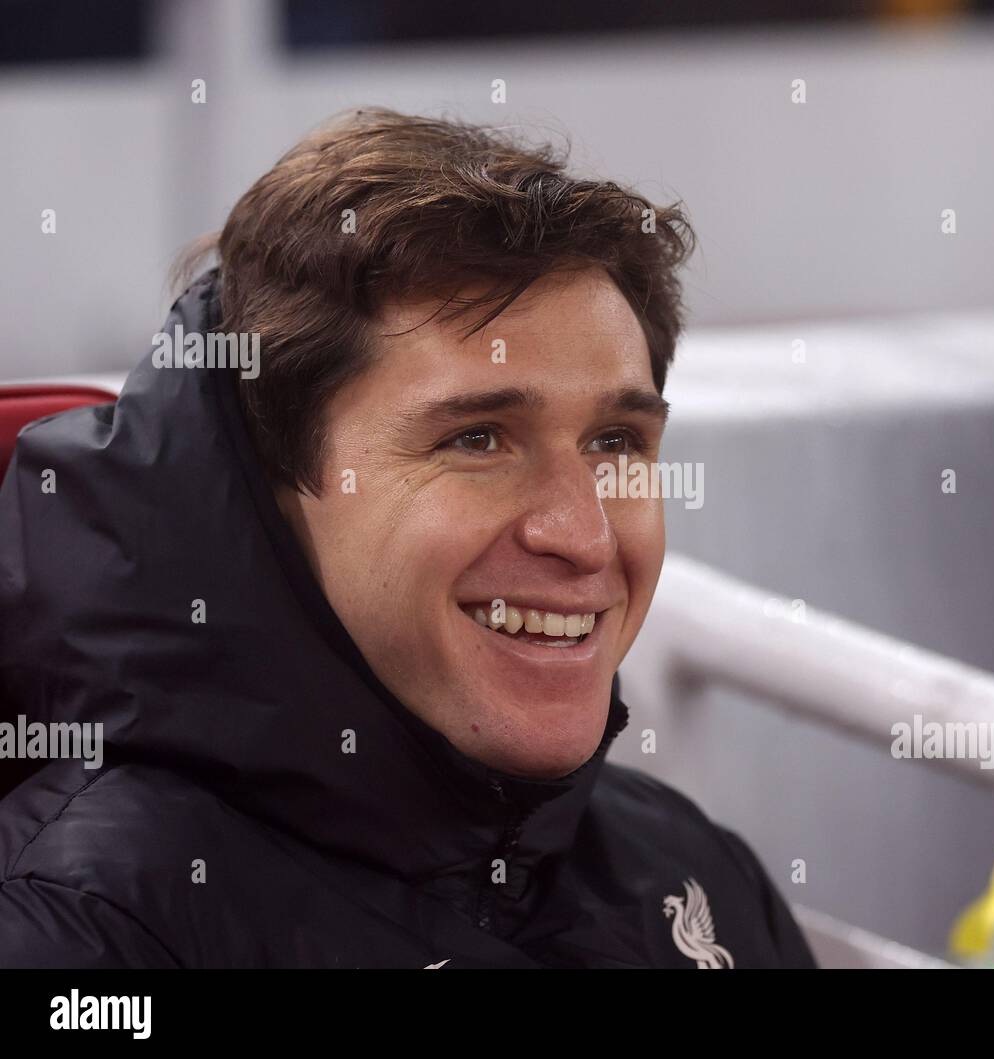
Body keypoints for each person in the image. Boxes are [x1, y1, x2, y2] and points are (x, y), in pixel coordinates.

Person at [0, 108, 817, 968]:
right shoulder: (83, 936)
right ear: (268, 487)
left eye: (615, 442)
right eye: (477, 440)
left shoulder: (692, 874)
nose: (582, 535)